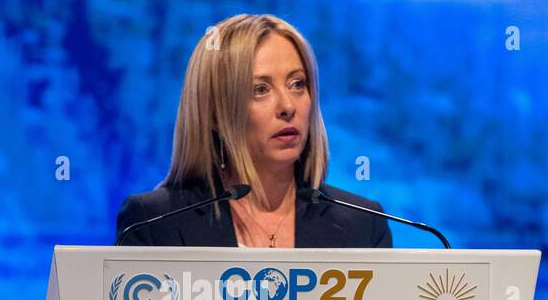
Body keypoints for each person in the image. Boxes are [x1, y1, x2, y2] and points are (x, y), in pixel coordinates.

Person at [115, 13, 392, 248]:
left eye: (298, 84)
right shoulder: (154, 223)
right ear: (214, 113)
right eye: (260, 90)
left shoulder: (362, 224)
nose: (287, 106)